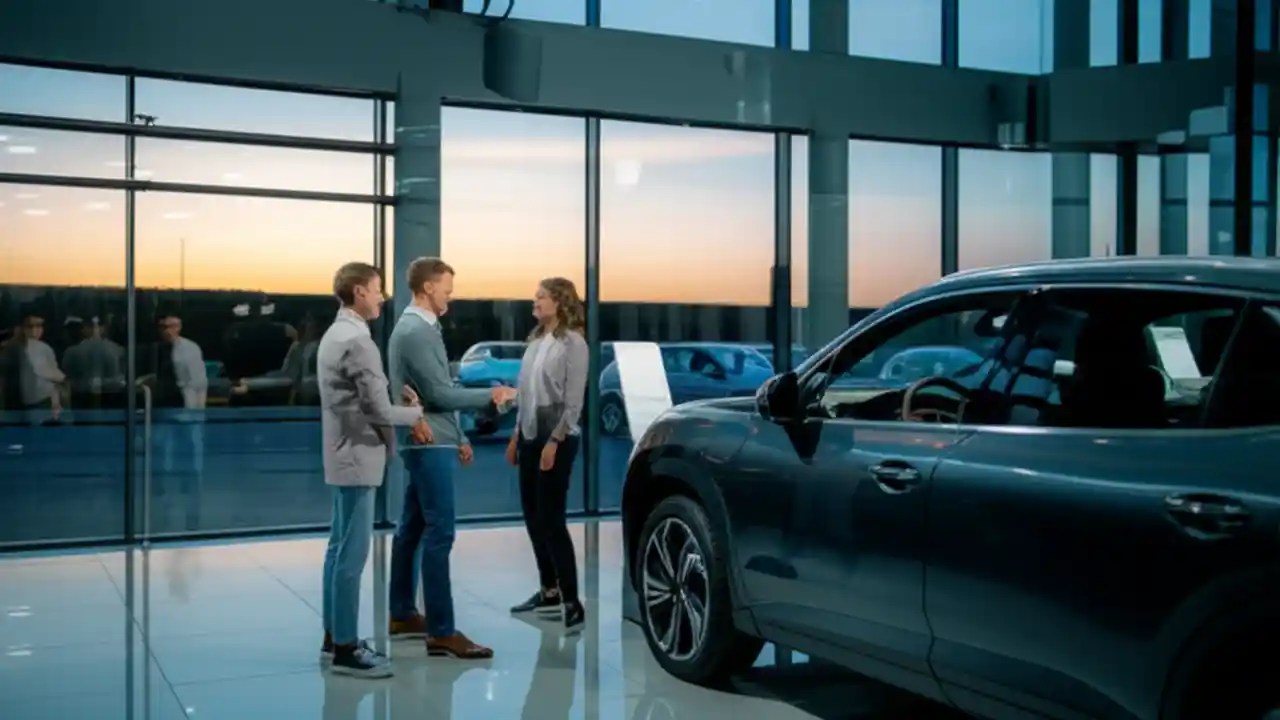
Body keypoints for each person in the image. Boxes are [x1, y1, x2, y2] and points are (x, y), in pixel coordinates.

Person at [387, 257, 517, 658]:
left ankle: (403, 613)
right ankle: (441, 631)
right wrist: (491, 397)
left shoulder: (421, 328)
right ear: (428, 287)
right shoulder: (415, 331)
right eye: (447, 288)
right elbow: (441, 395)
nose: (450, 295)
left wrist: (459, 433)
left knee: (412, 527)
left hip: (435, 437)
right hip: (429, 443)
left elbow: (435, 389)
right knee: (439, 532)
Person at [317, 261, 431, 679]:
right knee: (353, 554)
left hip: (341, 453)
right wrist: (415, 412)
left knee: (336, 550)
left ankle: (334, 637)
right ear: (360, 292)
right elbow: (378, 410)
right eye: (378, 289)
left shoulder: (335, 334)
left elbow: (361, 396)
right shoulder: (360, 342)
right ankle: (347, 649)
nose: (382, 297)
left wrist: (388, 397)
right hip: (359, 456)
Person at [506, 277, 589, 631]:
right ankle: (548, 589)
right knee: (532, 515)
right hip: (528, 435)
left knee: (552, 519)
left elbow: (573, 402)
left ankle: (572, 600)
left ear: (560, 301)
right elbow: (526, 394)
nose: (534, 301)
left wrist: (553, 442)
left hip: (558, 437)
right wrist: (515, 436)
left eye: (541, 296)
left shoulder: (574, 343)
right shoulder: (537, 341)